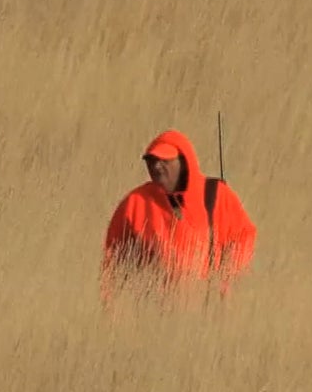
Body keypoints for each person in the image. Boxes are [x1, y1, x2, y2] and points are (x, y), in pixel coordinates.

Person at [100, 128, 257, 307]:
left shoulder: (215, 195)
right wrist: (113, 308)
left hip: (210, 309)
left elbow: (245, 236)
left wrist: (226, 277)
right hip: (155, 312)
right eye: (151, 161)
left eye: (164, 160)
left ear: (184, 162)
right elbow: (112, 261)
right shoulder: (135, 203)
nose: (156, 166)